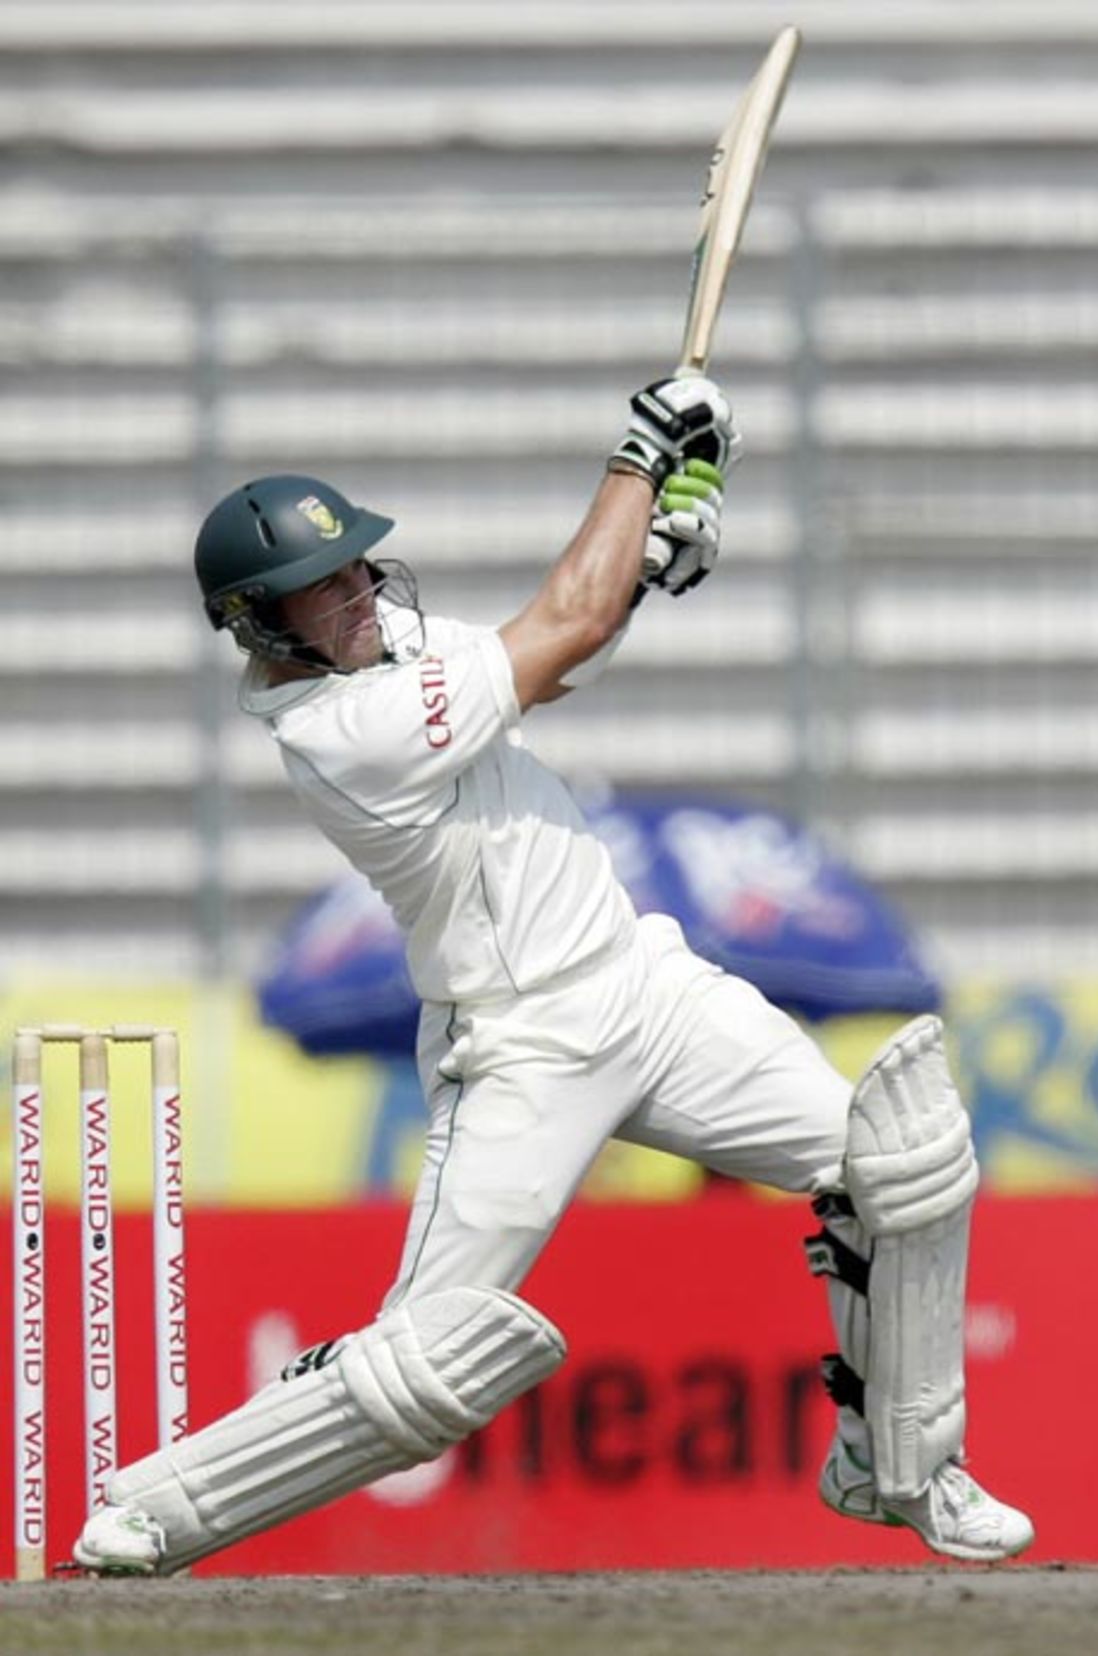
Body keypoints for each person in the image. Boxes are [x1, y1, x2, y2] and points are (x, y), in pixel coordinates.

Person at [74, 373, 1033, 1575]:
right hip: (520, 1043)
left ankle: (903, 1470)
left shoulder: (395, 648)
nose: (358, 590)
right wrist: (641, 459)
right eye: (324, 584)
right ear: (263, 624)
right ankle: (159, 1510)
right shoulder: (340, 734)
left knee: (900, 1166)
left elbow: (565, 651)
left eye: (358, 565)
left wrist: (652, 559)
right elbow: (560, 629)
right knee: (431, 1359)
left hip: (646, 986)